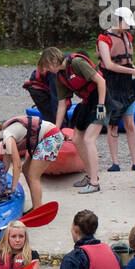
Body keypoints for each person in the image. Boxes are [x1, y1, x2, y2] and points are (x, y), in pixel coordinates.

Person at [49, 46, 108, 194]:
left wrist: (101, 106)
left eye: (47, 66)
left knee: (89, 139)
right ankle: (89, 176)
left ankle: (95, 183)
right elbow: (62, 104)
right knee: (76, 139)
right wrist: (56, 128)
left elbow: (101, 82)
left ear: (54, 60)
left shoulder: (76, 63)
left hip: (102, 100)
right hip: (87, 102)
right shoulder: (60, 77)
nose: (46, 70)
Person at [97, 5, 135, 172]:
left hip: (127, 84)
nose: (129, 26)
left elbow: (129, 61)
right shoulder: (104, 39)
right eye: (127, 22)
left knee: (130, 123)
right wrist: (133, 71)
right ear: (118, 21)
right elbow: (109, 65)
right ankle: (115, 162)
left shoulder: (127, 37)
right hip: (111, 84)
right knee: (112, 124)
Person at [0, 113, 63, 211]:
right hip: (43, 138)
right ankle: (36, 205)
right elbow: (5, 164)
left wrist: (13, 188)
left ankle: (38, 208)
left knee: (33, 175)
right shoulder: (4, 138)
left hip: (51, 136)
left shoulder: (7, 136)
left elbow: (17, 165)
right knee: (26, 169)